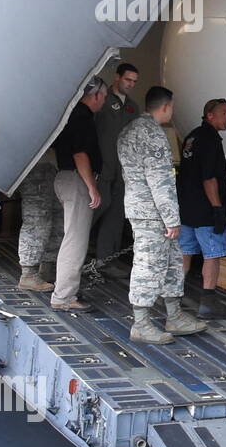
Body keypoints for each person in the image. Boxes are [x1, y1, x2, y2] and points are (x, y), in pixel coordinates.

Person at [117, 86, 208, 345]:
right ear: (166, 106)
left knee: (171, 262)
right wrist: (171, 219)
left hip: (142, 208)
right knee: (149, 265)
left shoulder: (128, 129)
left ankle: (174, 315)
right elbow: (159, 180)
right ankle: (141, 323)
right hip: (153, 213)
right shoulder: (152, 134)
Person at [49, 77, 107, 311]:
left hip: (65, 177)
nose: (103, 101)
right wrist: (92, 186)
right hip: (76, 179)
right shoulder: (82, 118)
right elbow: (80, 154)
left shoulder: (70, 114)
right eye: (103, 97)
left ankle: (64, 288)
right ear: (96, 96)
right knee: (76, 240)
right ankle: (63, 297)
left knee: (71, 237)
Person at [177, 98, 226, 319]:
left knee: (185, 252)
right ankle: (208, 302)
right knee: (212, 254)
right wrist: (217, 208)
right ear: (210, 115)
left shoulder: (191, 137)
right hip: (205, 210)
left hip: (186, 208)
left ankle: (174, 296)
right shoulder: (211, 140)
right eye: (224, 113)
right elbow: (208, 178)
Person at [93, 62, 140, 263]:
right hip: (101, 167)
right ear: (117, 77)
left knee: (116, 216)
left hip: (122, 171)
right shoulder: (101, 100)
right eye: (128, 79)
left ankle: (105, 260)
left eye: (134, 82)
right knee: (93, 211)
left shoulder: (132, 106)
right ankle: (72, 258)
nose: (130, 84)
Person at [15, 149, 63, 291]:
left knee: (56, 218)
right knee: (37, 220)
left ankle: (46, 270)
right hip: (37, 163)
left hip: (50, 164)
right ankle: (28, 274)